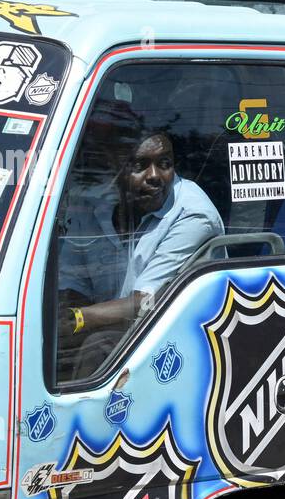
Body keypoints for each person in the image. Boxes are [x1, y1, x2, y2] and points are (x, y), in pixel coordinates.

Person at [57, 129, 221, 378]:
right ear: (115, 170)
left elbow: (145, 302)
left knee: (97, 346)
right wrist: (61, 318)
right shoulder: (94, 204)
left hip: (172, 335)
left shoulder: (192, 214)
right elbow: (73, 284)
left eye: (165, 164)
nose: (155, 176)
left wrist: (78, 319)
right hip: (118, 327)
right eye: (140, 165)